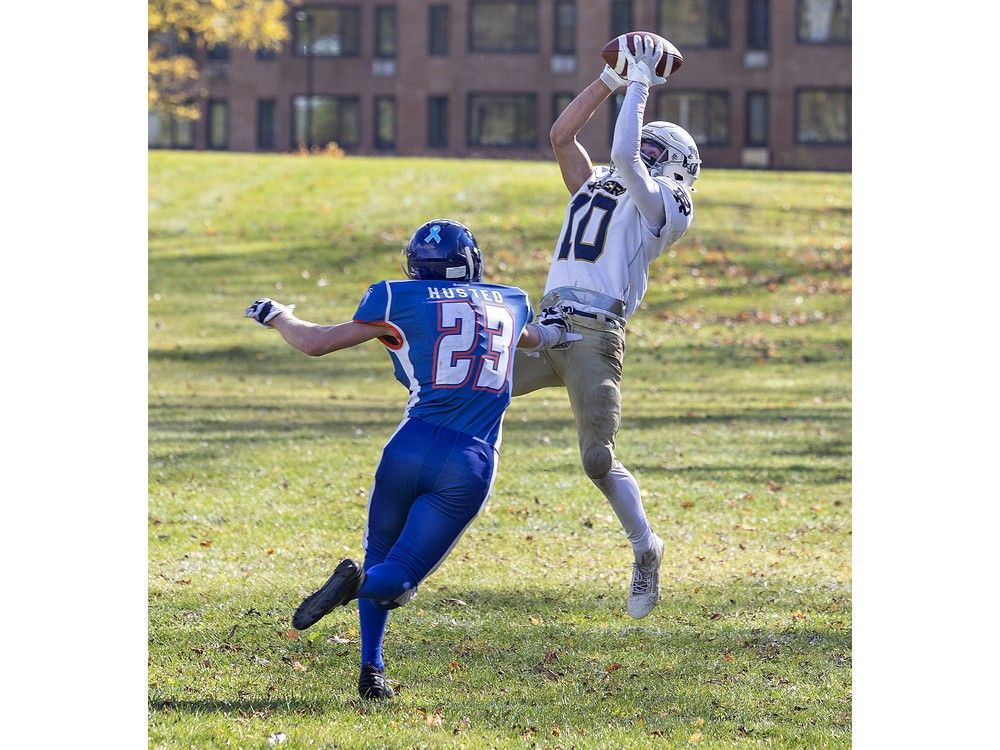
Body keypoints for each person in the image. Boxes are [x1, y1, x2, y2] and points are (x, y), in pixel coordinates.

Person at [244, 219, 578, 701]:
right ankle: (358, 591)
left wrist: (274, 313)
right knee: (395, 579)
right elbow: (535, 338)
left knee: (380, 553)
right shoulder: (510, 300)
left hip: (408, 445)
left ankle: (372, 670)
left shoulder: (395, 297)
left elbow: (314, 342)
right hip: (468, 459)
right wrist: (559, 331)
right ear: (471, 263)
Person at [511, 35, 700, 619]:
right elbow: (561, 137)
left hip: (595, 333)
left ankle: (646, 547)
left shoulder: (668, 204)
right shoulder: (597, 187)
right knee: (475, 379)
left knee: (597, 459)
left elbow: (623, 156)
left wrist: (641, 83)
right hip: (548, 324)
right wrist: (611, 83)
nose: (639, 143)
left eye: (649, 142)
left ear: (673, 162)